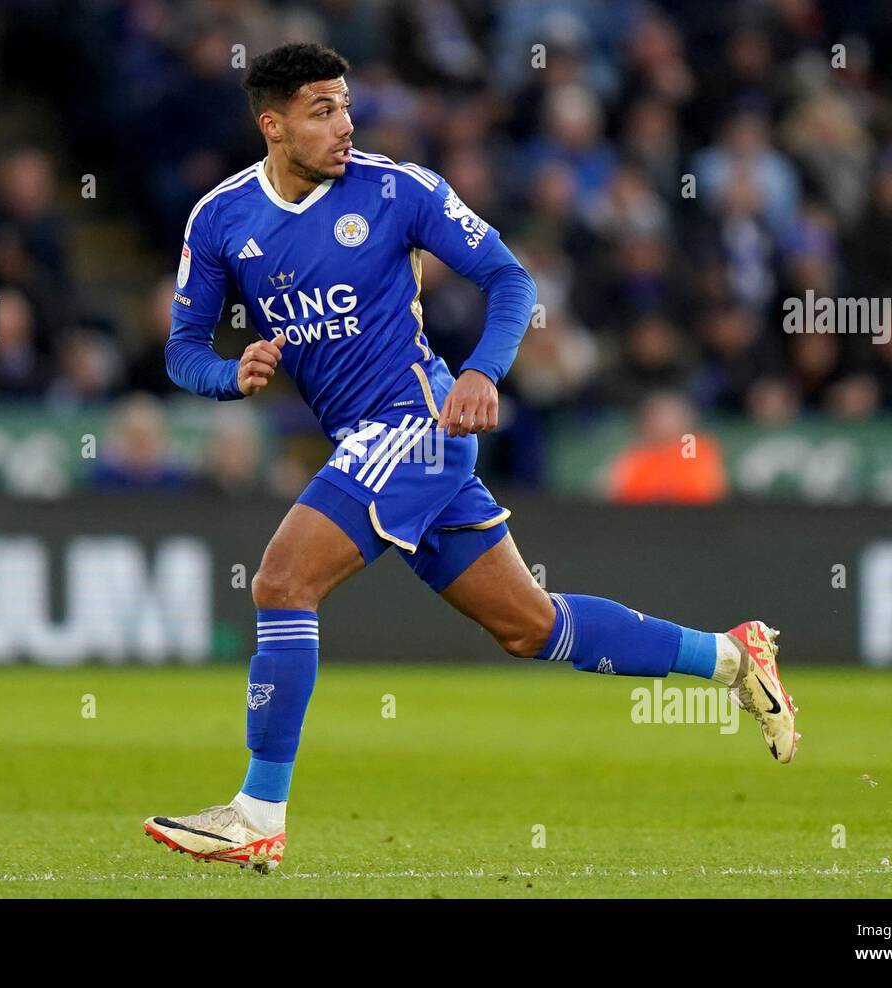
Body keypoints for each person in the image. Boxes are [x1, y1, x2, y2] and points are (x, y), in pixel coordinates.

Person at [145, 44, 798, 873]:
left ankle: (257, 813)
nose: (345, 124)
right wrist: (229, 375)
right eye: (321, 110)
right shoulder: (221, 219)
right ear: (272, 125)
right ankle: (736, 656)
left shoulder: (398, 189)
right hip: (368, 442)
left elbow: (510, 278)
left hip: (417, 423)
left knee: (281, 582)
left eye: (346, 104)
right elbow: (181, 351)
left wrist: (484, 370)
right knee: (531, 627)